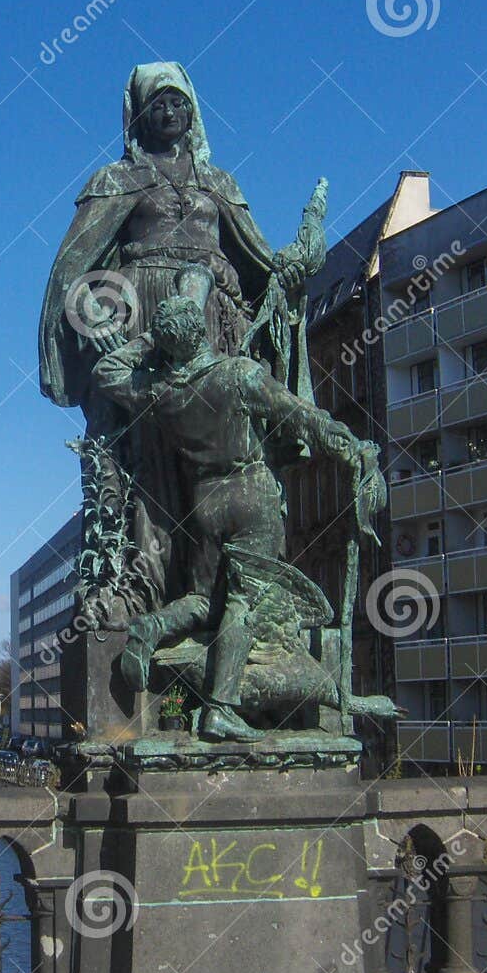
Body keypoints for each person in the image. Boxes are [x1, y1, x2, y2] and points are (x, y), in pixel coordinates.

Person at [38, 62, 325, 625]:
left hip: (214, 323)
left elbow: (257, 261)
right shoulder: (114, 181)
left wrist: (285, 275)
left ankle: (220, 593)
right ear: (138, 116)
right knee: (150, 457)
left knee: (218, 453)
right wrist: (99, 317)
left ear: (193, 112)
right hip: (144, 319)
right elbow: (73, 269)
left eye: (178, 102)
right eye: (157, 103)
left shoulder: (221, 185)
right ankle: (140, 588)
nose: (169, 112)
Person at [92, 295, 387, 740]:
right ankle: (221, 708)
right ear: (202, 332)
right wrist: (352, 446)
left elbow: (105, 372)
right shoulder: (240, 374)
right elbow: (303, 418)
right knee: (243, 603)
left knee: (205, 598)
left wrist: (152, 342)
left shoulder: (164, 392)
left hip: (204, 502)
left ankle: (151, 626)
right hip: (253, 496)